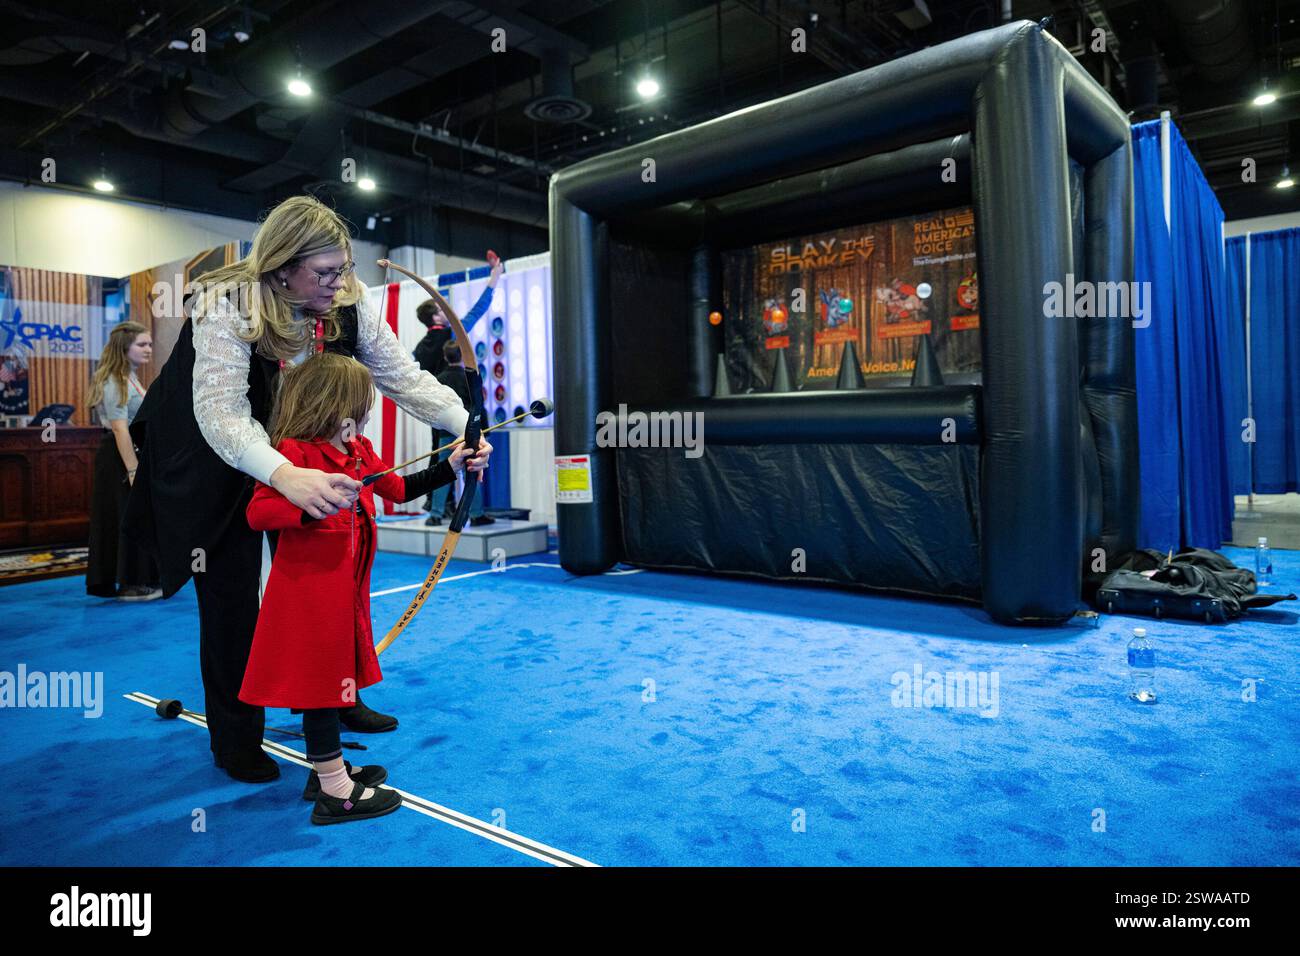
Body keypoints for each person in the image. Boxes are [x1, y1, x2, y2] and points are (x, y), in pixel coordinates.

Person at [125, 195, 492, 784]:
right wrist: (284, 476)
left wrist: (462, 422)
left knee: (329, 580)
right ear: (279, 270)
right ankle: (236, 735)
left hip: (299, 450)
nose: (341, 282)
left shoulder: (349, 298)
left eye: (344, 268)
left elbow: (400, 376)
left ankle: (337, 698)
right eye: (325, 273)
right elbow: (221, 416)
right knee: (232, 596)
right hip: (213, 456)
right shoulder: (228, 304)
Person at [242, 353, 478, 823]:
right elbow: (258, 513)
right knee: (320, 685)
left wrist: (453, 465)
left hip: (345, 591)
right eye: (360, 403)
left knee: (332, 680)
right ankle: (335, 793)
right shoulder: (293, 454)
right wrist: (312, 503)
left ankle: (325, 771)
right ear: (332, 404)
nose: (366, 412)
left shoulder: (360, 450)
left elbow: (397, 489)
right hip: (307, 594)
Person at [413, 253, 501, 526]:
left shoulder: (419, 348)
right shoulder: (451, 336)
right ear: (438, 315)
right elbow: (478, 310)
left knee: (442, 461)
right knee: (469, 461)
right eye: (443, 308)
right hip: (453, 413)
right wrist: (495, 275)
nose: (448, 310)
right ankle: (466, 512)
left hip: (434, 413)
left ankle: (437, 511)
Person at [85, 321, 161, 600]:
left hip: (128, 452)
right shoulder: (114, 379)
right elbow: (119, 428)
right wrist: (132, 469)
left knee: (131, 516)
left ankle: (139, 578)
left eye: (150, 344)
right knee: (124, 517)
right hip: (118, 456)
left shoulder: (130, 377)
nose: (149, 349)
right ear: (124, 347)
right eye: (142, 344)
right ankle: (130, 583)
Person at [435, 340, 494, 527]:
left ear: (445, 356)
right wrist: (484, 430)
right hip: (469, 431)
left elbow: (435, 409)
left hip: (446, 432)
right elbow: (478, 405)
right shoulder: (471, 378)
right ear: (463, 356)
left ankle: (435, 514)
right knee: (472, 471)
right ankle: (476, 515)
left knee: (443, 473)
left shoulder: (439, 378)